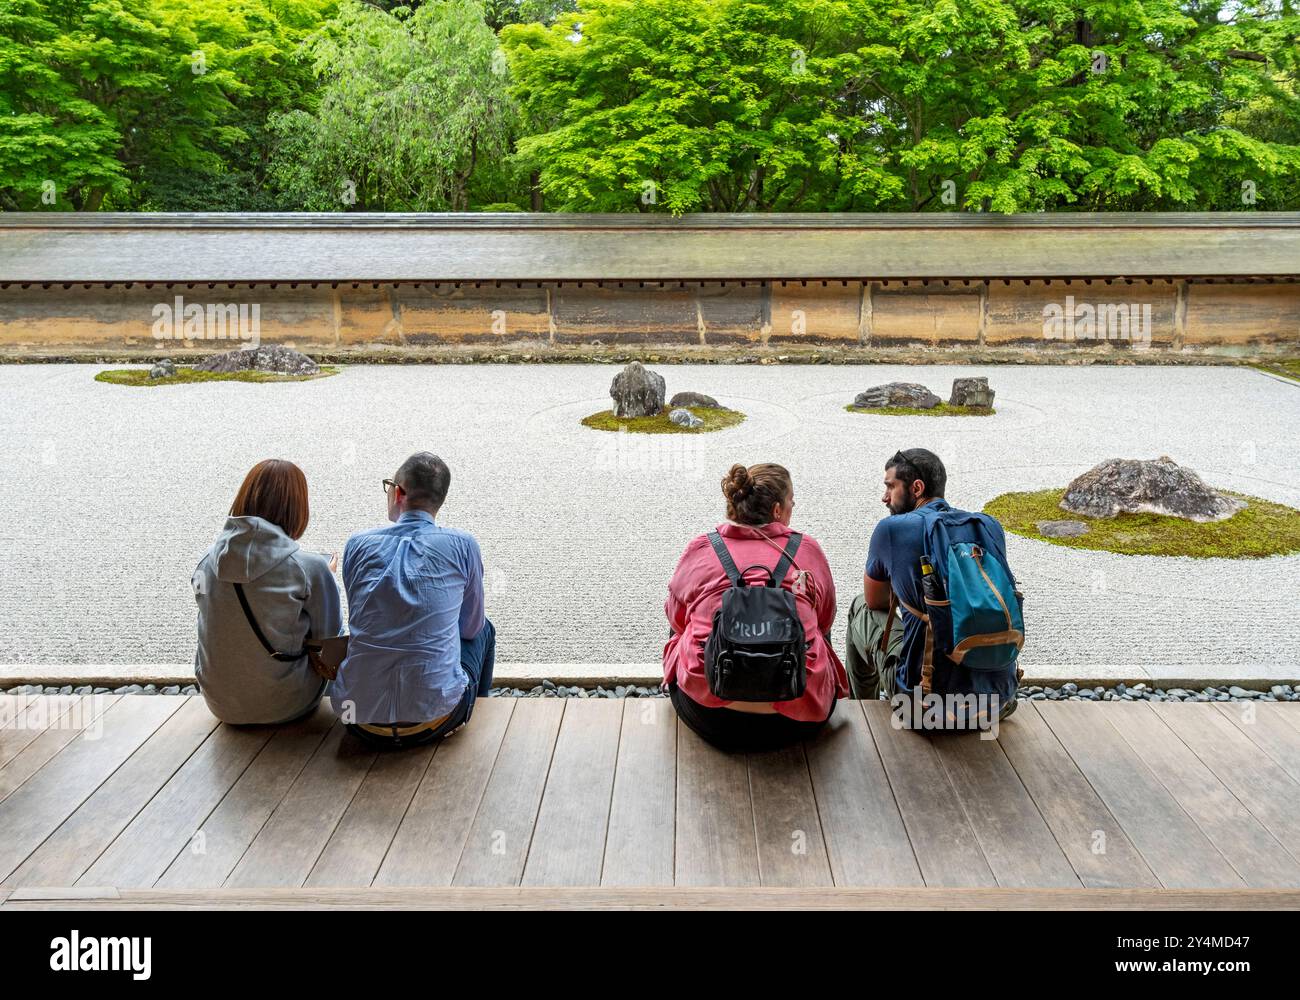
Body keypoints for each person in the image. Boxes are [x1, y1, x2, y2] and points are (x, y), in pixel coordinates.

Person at [663, 463, 848, 752]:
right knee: (816, 626)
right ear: (777, 510)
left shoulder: (702, 548)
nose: (793, 506)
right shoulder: (807, 549)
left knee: (682, 620)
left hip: (711, 715)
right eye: (791, 502)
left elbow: (674, 617)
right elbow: (825, 619)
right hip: (797, 720)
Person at [332, 452, 495, 750]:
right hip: (435, 720)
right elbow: (471, 629)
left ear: (399, 493)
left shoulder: (357, 543)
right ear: (439, 499)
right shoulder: (462, 545)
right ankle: (477, 710)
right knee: (485, 629)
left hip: (355, 718)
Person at [846, 448, 1020, 724]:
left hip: (924, 709)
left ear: (916, 488)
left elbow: (875, 602)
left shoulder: (891, 529)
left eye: (890, 486)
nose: (885, 497)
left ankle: (861, 709)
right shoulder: (988, 526)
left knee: (859, 608)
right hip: (997, 702)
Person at [193, 459, 342, 725]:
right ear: (296, 508)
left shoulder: (206, 562)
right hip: (286, 704)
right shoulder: (309, 568)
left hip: (219, 704)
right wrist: (327, 580)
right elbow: (329, 641)